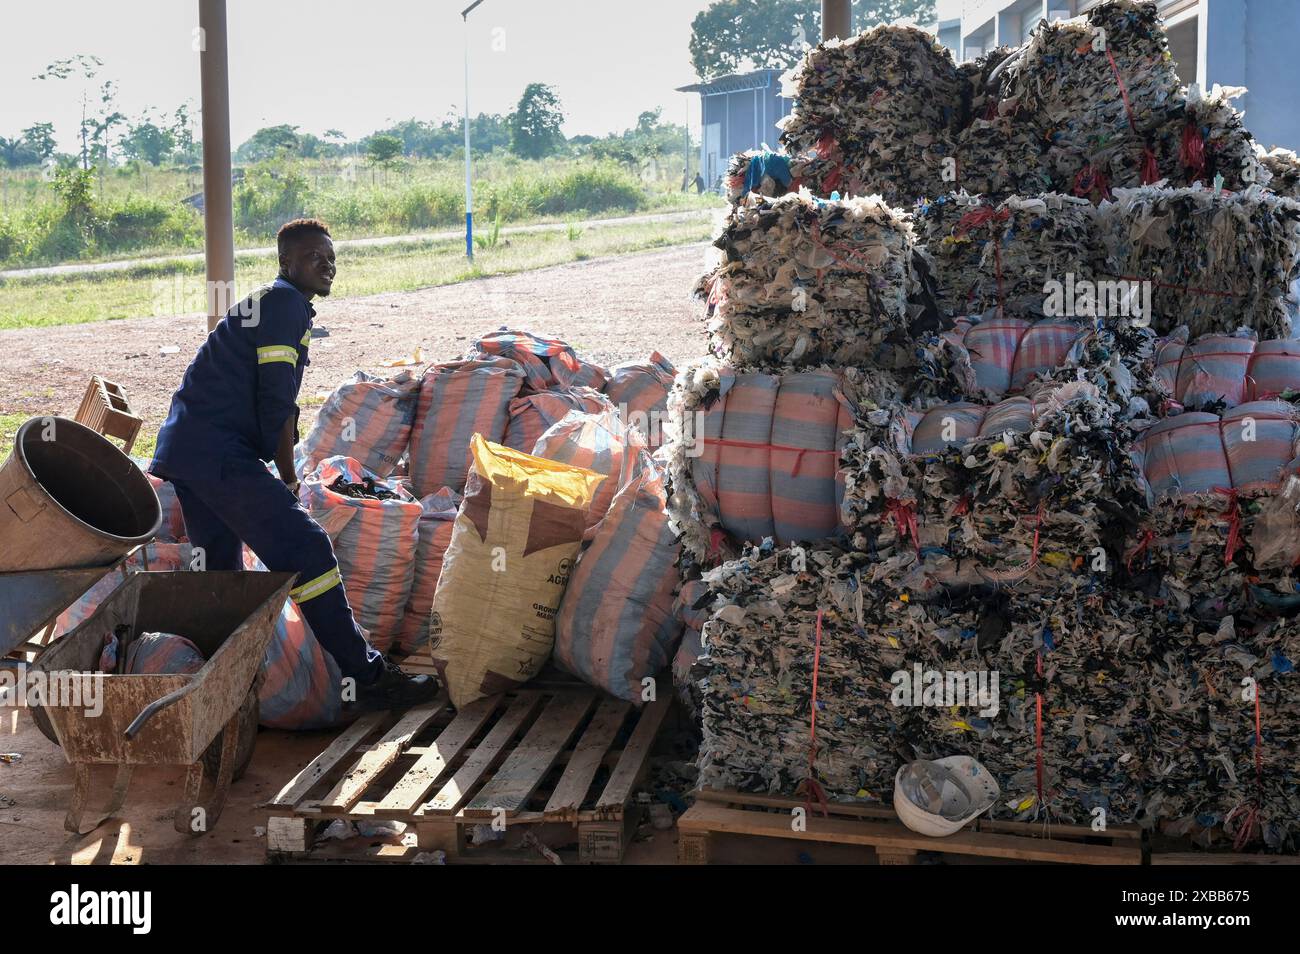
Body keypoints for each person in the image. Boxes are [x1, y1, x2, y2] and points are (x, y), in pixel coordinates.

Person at [150, 218, 438, 711]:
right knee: (306, 547)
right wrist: (286, 478)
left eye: (330, 255)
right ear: (286, 263)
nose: (326, 264)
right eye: (312, 257)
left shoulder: (277, 304)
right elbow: (277, 404)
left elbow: (272, 405)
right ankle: (368, 678)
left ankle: (220, 689)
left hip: (192, 451)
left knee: (219, 569)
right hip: (216, 453)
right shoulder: (283, 305)